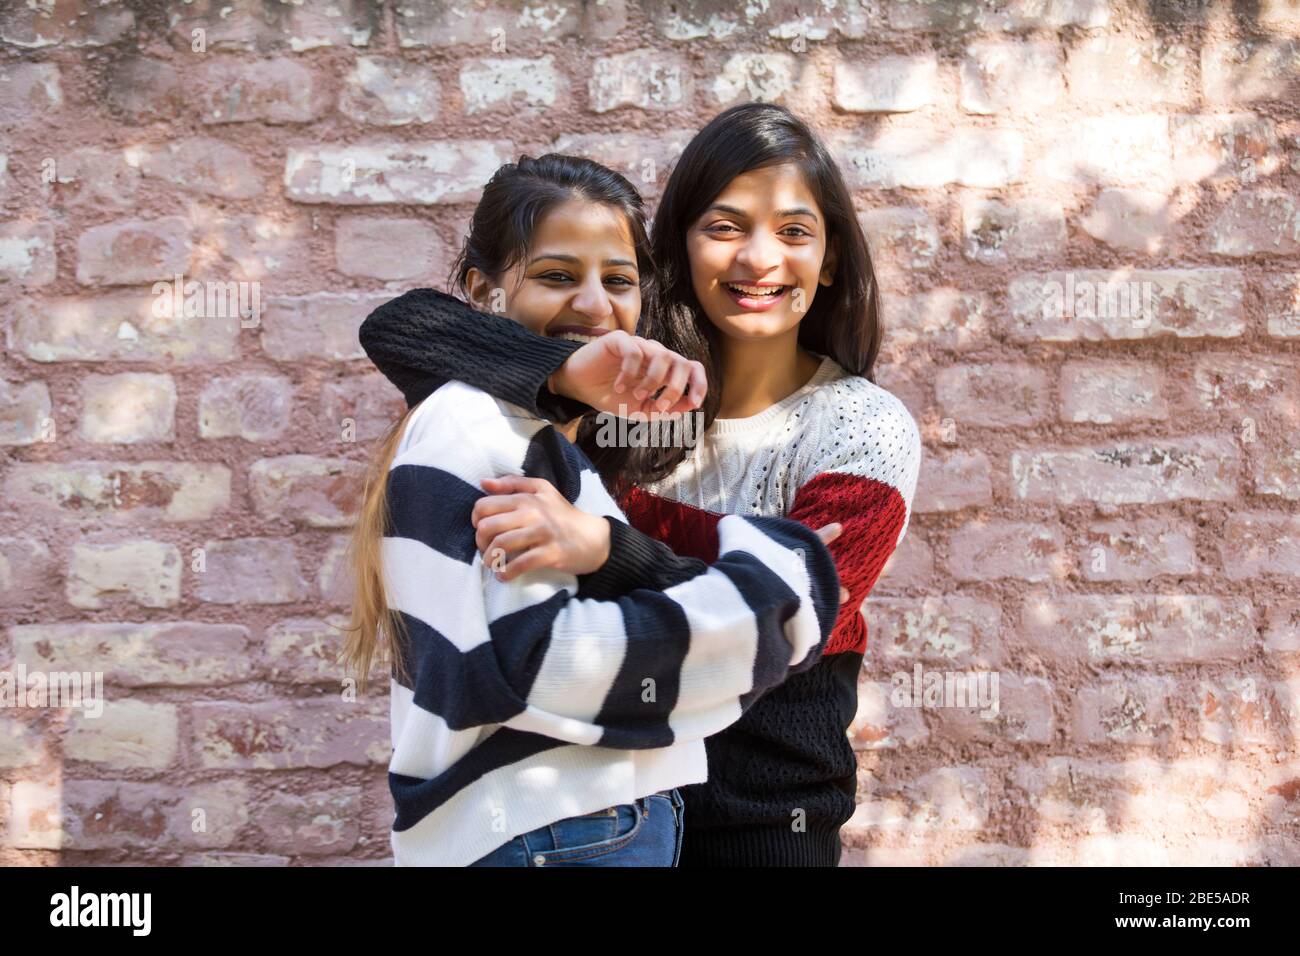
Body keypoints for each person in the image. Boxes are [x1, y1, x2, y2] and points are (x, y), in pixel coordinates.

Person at [356, 104, 923, 866]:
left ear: (830, 260)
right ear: (679, 247)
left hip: (759, 822)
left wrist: (605, 548)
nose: (760, 258)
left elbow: (795, 611)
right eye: (724, 227)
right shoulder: (621, 390)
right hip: (612, 807)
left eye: (794, 231)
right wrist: (564, 370)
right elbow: (400, 326)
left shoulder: (864, 428)